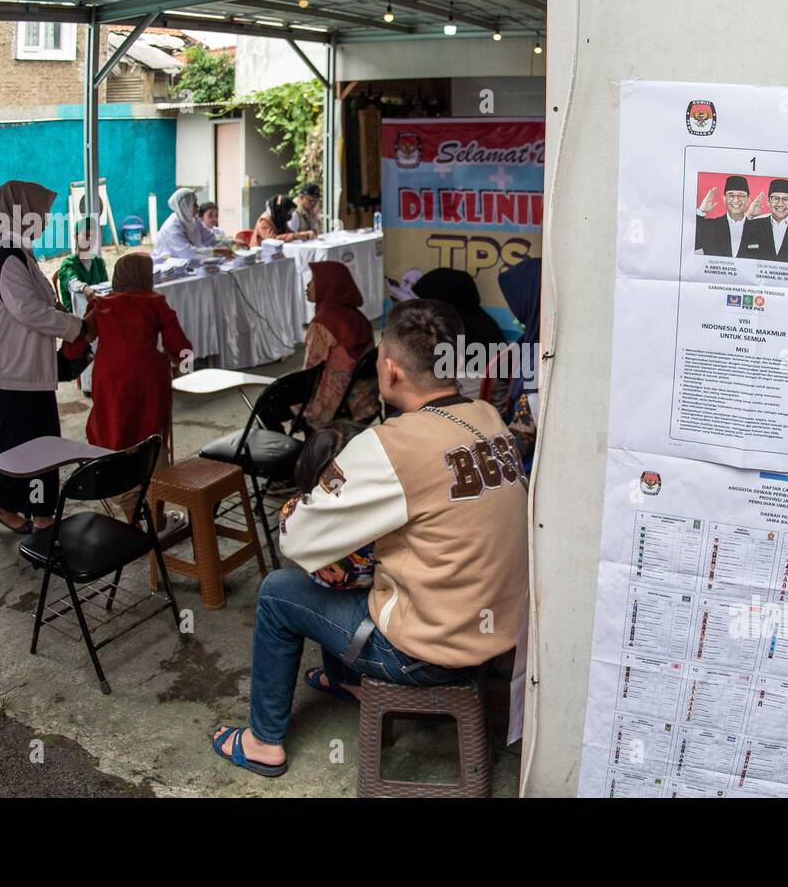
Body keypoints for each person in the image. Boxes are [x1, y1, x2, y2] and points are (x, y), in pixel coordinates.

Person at [210, 299, 529, 778]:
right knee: (368, 560)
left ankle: (262, 741)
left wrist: (305, 499)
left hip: (427, 654)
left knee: (279, 591)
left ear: (392, 370)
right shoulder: (486, 415)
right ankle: (346, 679)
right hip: (504, 631)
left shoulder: (389, 445)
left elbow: (296, 540)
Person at [0, 180, 96, 534]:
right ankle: (20, 510)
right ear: (21, 213)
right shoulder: (5, 253)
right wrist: (78, 327)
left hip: (21, 368)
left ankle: (35, 513)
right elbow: (28, 311)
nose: (48, 219)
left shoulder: (17, 249)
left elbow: (38, 302)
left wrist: (66, 317)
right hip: (0, 371)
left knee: (42, 442)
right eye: (43, 212)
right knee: (24, 446)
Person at [67, 253, 192, 466]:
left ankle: (119, 488)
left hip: (109, 379)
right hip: (148, 379)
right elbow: (180, 348)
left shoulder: (100, 305)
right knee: (149, 434)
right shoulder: (155, 302)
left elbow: (75, 344)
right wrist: (183, 367)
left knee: (113, 430)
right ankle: (152, 487)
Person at [293, 420, 376, 592]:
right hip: (382, 590)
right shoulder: (386, 506)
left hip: (365, 597)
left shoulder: (300, 516)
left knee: (274, 585)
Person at [413, 267, 509, 409]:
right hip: (492, 399)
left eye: (427, 302)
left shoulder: (462, 329)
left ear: (444, 301)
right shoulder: (478, 319)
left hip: (479, 404)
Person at [302, 261, 379, 429]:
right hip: (366, 400)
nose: (307, 286)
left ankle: (298, 452)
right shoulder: (358, 317)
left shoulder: (323, 324)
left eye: (313, 280)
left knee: (269, 405)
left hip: (338, 407)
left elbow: (310, 373)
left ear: (328, 285)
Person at [493, 257, 542, 470]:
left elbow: (520, 441)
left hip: (529, 476)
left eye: (511, 302)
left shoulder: (538, 358)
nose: (510, 309)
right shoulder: (528, 342)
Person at [740, 179, 788, 263]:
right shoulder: (753, 224)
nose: (780, 204)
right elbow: (735, 240)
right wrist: (749, 215)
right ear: (768, 201)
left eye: (785, 199)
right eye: (776, 198)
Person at [694, 175, 756, 258]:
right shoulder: (709, 227)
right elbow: (687, 242)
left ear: (748, 200)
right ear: (724, 199)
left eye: (741, 195)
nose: (736, 200)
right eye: (731, 195)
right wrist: (701, 211)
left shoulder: (759, 228)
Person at [54, 216, 108, 309]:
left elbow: (106, 287)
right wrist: (84, 288)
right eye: (86, 235)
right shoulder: (69, 264)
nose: (89, 240)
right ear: (76, 237)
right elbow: (72, 283)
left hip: (98, 311)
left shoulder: (99, 262)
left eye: (93, 236)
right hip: (76, 317)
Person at [152, 188, 208, 263]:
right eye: (194, 204)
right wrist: (214, 252)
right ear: (185, 205)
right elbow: (188, 253)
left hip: (185, 265)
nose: (198, 207)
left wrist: (222, 244)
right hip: (166, 268)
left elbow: (208, 236)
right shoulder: (172, 227)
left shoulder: (193, 220)